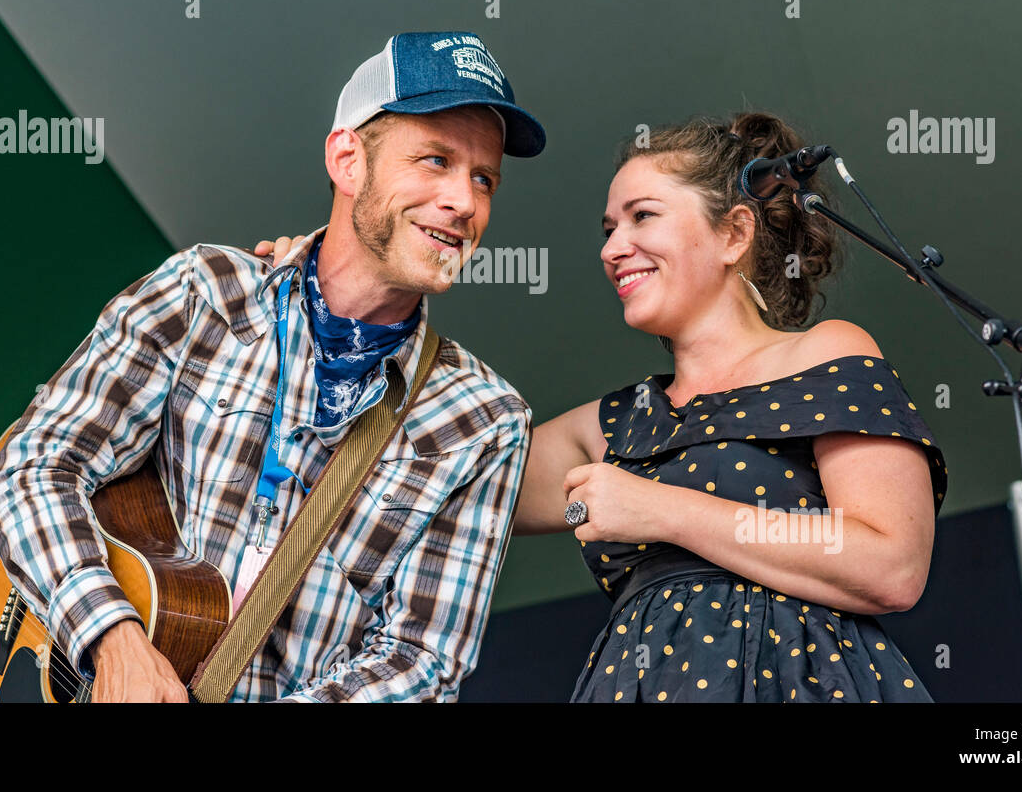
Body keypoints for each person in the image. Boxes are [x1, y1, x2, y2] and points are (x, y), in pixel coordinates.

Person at [262, 111, 948, 702]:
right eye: (609, 227)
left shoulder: (823, 354)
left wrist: (660, 509)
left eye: (643, 216)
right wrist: (324, 302)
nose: (612, 248)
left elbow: (890, 565)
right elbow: (403, 469)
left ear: (734, 233)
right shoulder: (610, 425)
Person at [0, 30, 547, 702]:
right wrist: (113, 638)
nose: (465, 202)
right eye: (435, 160)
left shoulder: (483, 421)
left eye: (484, 179)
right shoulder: (203, 292)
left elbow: (420, 663)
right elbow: (34, 465)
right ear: (347, 160)